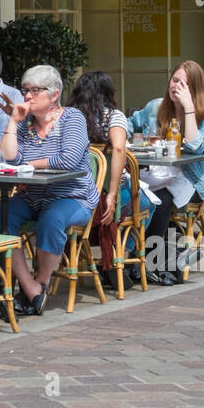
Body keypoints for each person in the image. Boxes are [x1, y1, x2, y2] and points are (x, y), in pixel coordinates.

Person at [0, 65, 99, 315]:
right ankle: (30, 287)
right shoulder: (25, 123)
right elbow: (9, 159)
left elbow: (68, 160)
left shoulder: (72, 118)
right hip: (33, 195)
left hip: (72, 196)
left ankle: (42, 280)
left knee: (50, 220)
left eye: (34, 91)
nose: (27, 96)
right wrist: (12, 120)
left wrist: (28, 165)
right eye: (25, 90)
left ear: (53, 95)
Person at [126, 62, 204, 283]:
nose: (176, 86)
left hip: (189, 178)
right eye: (175, 80)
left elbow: (196, 146)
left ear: (193, 89)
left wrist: (188, 108)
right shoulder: (156, 107)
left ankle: (146, 260)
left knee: (162, 199)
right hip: (156, 172)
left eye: (184, 84)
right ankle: (157, 257)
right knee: (138, 193)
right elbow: (130, 124)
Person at [66, 70, 143, 291]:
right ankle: (124, 262)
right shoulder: (114, 116)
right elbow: (119, 148)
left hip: (76, 190)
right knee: (150, 204)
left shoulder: (70, 116)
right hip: (105, 194)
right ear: (108, 92)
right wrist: (112, 193)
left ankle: (94, 259)